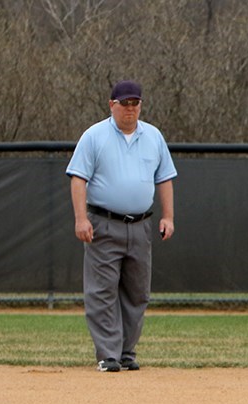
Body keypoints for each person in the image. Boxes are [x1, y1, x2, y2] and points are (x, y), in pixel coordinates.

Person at [66, 80, 177, 372]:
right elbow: (78, 178)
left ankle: (127, 351)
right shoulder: (94, 136)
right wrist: (81, 218)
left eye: (134, 103)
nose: (130, 109)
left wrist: (168, 217)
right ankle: (108, 354)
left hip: (141, 225)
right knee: (102, 291)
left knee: (137, 292)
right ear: (111, 105)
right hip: (104, 222)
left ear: (141, 105)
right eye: (124, 103)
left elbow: (164, 178)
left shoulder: (153, 136)